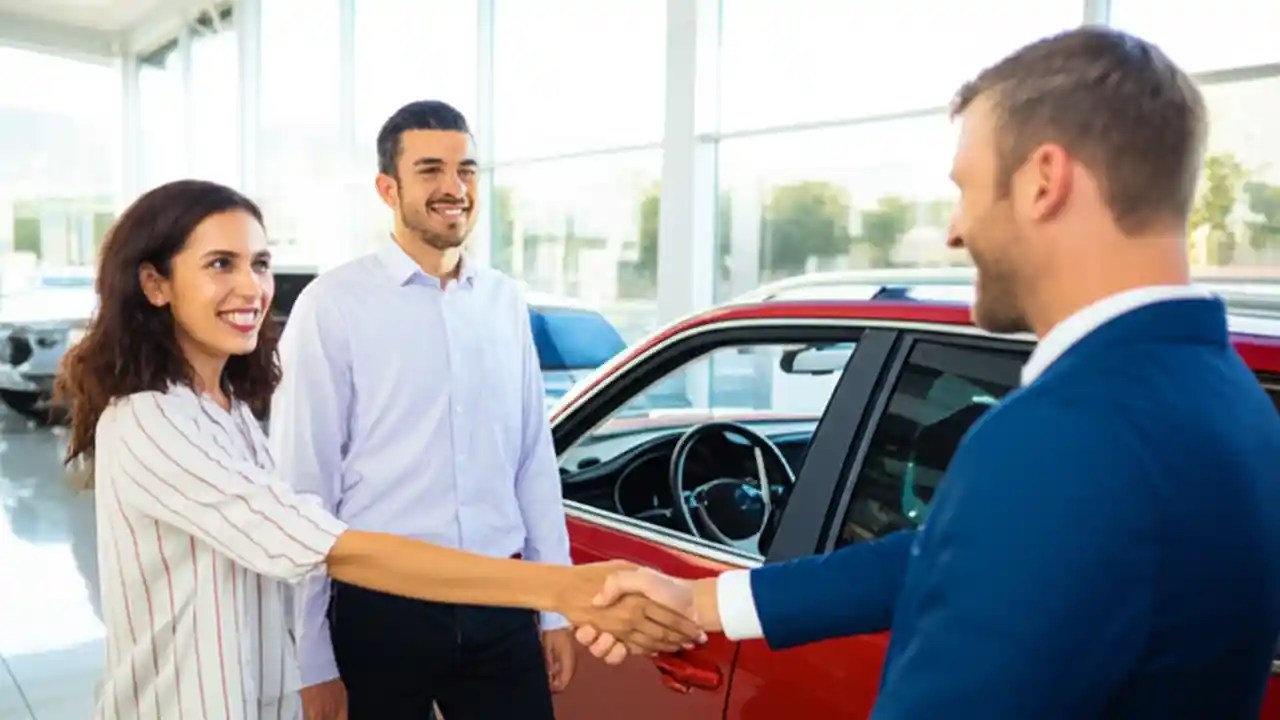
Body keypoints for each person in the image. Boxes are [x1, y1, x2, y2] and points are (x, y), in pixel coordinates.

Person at [577, 26, 1280, 719]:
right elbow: (965, 555)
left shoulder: (1055, 437)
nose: (954, 229)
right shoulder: (1237, 404)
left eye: (966, 188)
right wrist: (702, 600)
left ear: (1043, 181)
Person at [54, 179, 704, 720]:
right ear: (155, 283)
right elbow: (335, 548)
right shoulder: (150, 422)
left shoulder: (228, 415)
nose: (251, 288)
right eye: (220, 264)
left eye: (259, 263)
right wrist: (561, 587)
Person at [269, 100, 580, 720]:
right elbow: (303, 489)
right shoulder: (333, 306)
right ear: (388, 188)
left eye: (466, 170)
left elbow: (531, 462)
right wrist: (311, 661)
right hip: (382, 608)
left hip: (501, 599)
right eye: (430, 169)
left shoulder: (502, 301)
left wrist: (555, 605)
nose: (453, 187)